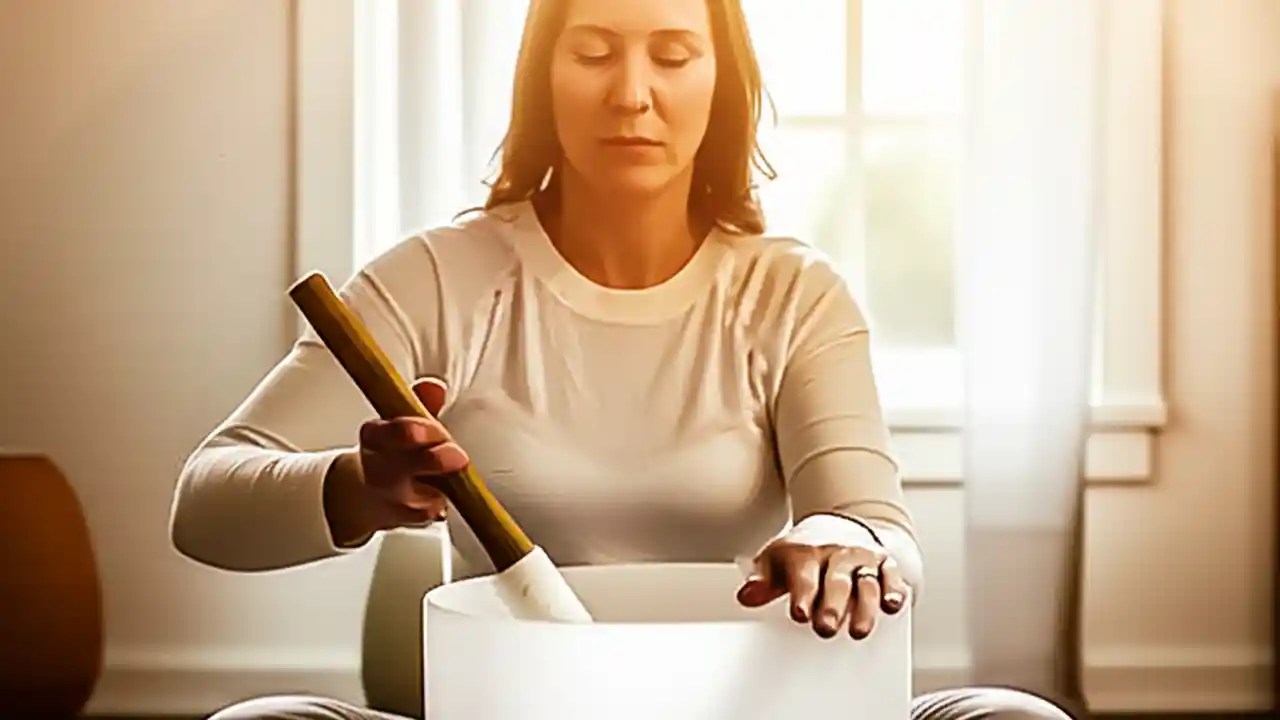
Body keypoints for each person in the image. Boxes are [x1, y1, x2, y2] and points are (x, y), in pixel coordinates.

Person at [170, 0, 1075, 718]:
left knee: (1009, 716)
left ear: (723, 82)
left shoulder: (795, 293)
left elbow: (883, 538)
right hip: (511, 710)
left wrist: (847, 539)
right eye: (595, 51)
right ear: (543, 81)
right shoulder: (434, 278)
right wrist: (353, 490)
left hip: (749, 713)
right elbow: (204, 504)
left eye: (673, 55)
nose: (631, 93)